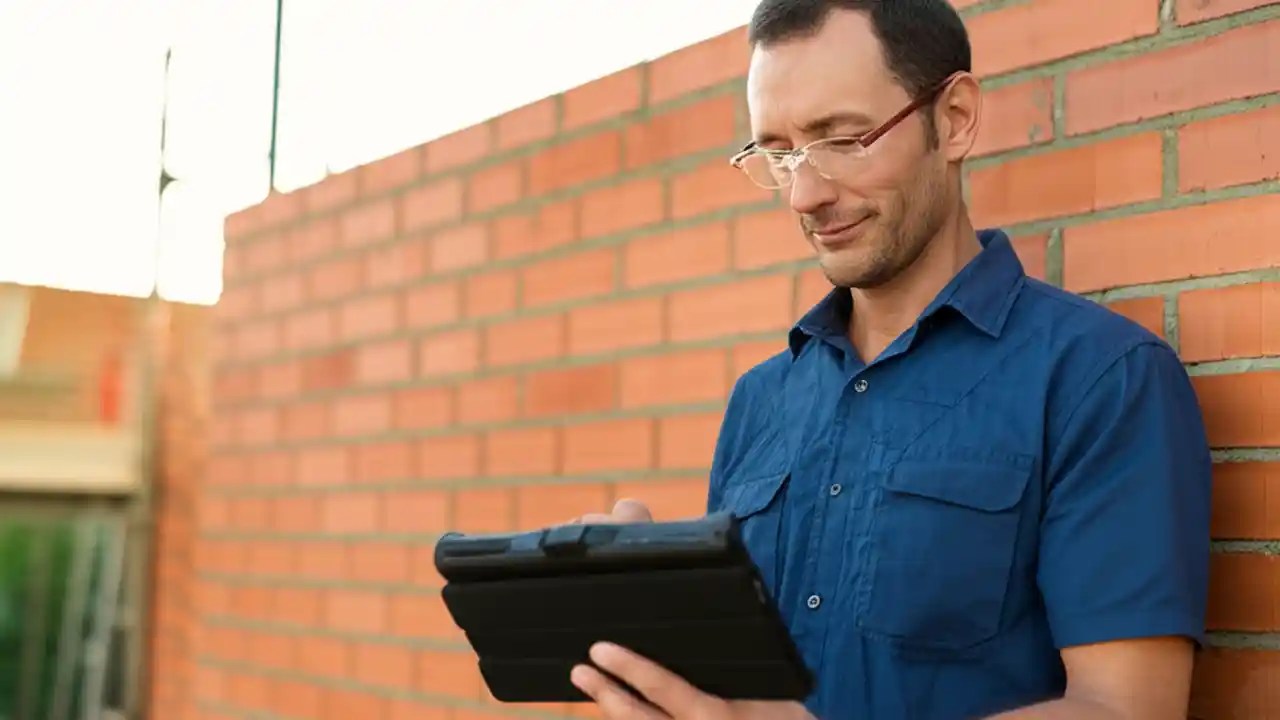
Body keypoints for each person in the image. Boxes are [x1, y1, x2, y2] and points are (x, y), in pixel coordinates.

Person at [566, 0, 1213, 718]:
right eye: (778, 155)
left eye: (843, 139)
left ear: (956, 118)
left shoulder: (1100, 378)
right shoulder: (761, 401)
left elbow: (1127, 710)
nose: (805, 194)